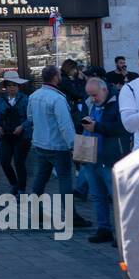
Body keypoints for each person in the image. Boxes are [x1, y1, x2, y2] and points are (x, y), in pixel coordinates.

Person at [27, 64, 91, 228]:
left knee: (41, 179)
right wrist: (73, 145)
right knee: (64, 180)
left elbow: (30, 117)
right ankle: (71, 216)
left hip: (41, 144)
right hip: (57, 145)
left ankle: (36, 212)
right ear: (56, 78)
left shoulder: (34, 96)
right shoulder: (58, 99)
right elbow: (65, 125)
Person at [79, 77, 129, 244]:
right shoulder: (89, 102)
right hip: (91, 156)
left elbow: (122, 128)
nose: (93, 98)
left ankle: (121, 233)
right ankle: (104, 229)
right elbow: (80, 119)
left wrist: (97, 127)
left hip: (111, 157)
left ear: (104, 90)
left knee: (115, 197)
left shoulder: (119, 102)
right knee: (97, 196)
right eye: (90, 95)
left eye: (95, 95)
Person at [0, 72, 31, 194]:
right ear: (5, 86)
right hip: (6, 134)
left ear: (18, 86)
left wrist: (22, 126)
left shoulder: (25, 99)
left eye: (14, 85)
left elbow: (30, 117)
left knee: (19, 162)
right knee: (4, 161)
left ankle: (21, 188)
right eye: (9, 85)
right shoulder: (2, 99)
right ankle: (14, 183)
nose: (12, 87)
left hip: (22, 135)